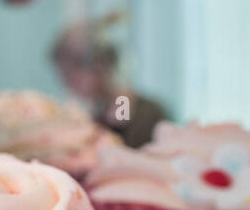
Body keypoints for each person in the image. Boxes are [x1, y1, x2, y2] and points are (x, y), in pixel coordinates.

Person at [50, 12, 170, 149]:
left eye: (67, 76)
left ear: (98, 66)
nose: (67, 85)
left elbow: (119, 130)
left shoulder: (135, 111)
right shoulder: (106, 108)